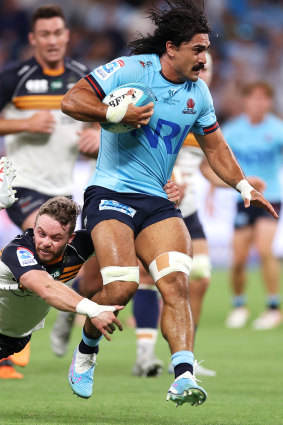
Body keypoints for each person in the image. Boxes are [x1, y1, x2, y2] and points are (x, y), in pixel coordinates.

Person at [61, 0, 277, 406]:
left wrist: (244, 187)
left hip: (158, 199)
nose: (204, 58)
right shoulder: (130, 70)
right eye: (197, 49)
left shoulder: (199, 93)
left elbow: (216, 146)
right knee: (122, 287)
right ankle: (87, 349)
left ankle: (183, 377)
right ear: (172, 48)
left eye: (207, 50)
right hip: (110, 193)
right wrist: (113, 114)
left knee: (178, 282)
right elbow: (71, 101)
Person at [0, 4, 99, 373]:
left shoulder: (83, 80)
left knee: (94, 258)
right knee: (38, 244)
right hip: (24, 186)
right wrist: (21, 123)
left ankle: (66, 308)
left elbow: (107, 126)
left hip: (64, 191)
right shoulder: (14, 77)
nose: (52, 40)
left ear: (67, 36)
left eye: (58, 33)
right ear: (33, 39)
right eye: (45, 34)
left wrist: (97, 135)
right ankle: (11, 344)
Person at [0, 196, 123, 380]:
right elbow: (46, 287)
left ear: (70, 238)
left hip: (15, 338)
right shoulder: (18, 251)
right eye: (41, 234)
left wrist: (163, 201)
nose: (45, 242)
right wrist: (94, 309)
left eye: (56, 238)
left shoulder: (80, 247)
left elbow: (125, 231)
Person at [223, 81, 283, 330]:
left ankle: (272, 308)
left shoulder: (277, 129)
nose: (258, 103)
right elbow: (221, 161)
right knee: (237, 258)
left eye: (263, 98)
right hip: (243, 198)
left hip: (271, 197)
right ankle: (239, 305)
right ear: (246, 101)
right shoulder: (233, 130)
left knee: (265, 250)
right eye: (254, 98)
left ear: (269, 102)